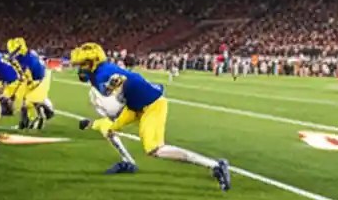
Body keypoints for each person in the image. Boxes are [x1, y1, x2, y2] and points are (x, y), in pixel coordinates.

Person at [70, 42, 231, 191]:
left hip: (151, 104)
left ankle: (216, 165)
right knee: (109, 129)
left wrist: (112, 91)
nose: (80, 68)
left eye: (83, 64)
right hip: (135, 105)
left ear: (94, 62)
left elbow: (114, 98)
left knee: (154, 149)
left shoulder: (103, 74)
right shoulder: (99, 73)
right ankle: (128, 162)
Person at [6, 36, 55, 129]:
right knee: (28, 101)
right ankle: (43, 113)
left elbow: (22, 76)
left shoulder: (24, 59)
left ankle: (38, 117)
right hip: (39, 77)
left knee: (28, 101)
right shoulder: (29, 54)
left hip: (37, 79)